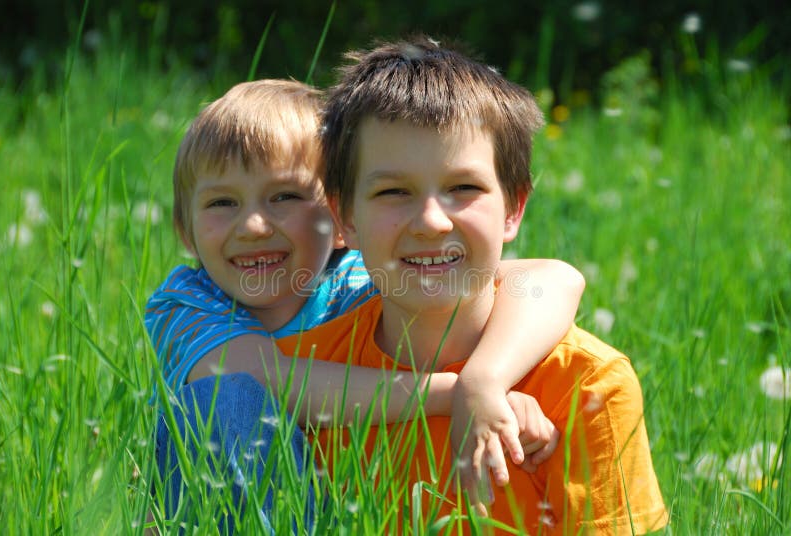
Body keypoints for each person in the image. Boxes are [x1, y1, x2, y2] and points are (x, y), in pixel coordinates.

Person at [270, 37, 669, 534]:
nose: (432, 221)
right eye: (394, 191)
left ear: (514, 207)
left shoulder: (586, 386)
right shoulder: (306, 377)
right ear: (344, 217)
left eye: (464, 188)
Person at [147, 79, 584, 530]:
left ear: (341, 220)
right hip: (240, 510)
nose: (254, 225)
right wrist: (457, 394)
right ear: (185, 230)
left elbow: (556, 279)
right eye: (222, 202)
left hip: (368, 502)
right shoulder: (186, 304)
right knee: (221, 402)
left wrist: (487, 381)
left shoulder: (362, 276)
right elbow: (269, 381)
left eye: (285, 197)